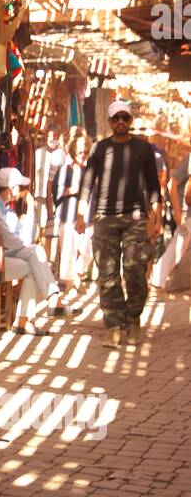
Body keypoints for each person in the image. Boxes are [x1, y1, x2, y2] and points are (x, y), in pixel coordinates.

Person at [75, 100, 162, 346]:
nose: (121, 122)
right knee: (108, 274)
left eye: (125, 118)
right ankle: (113, 325)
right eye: (116, 118)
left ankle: (133, 318)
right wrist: (81, 214)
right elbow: (87, 184)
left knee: (135, 271)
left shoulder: (143, 149)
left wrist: (155, 218)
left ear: (130, 120)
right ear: (110, 122)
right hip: (105, 217)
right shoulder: (99, 149)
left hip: (136, 217)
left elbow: (153, 185)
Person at [0, 167, 66, 335]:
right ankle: (28, 317)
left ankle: (47, 303)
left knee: (36, 254)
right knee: (34, 258)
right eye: (20, 187)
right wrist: (26, 242)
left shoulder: (4, 207)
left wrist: (31, 207)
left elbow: (23, 237)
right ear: (13, 189)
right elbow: (11, 239)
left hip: (3, 253)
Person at [52, 128, 94, 296]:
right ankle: (69, 283)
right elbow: (57, 191)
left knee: (87, 248)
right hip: (67, 215)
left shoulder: (88, 171)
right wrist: (75, 190)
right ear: (73, 152)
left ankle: (76, 274)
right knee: (68, 250)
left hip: (85, 216)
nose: (83, 156)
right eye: (79, 153)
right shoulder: (65, 170)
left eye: (85, 153)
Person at [152, 144, 191, 292]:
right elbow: (171, 185)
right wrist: (178, 212)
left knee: (179, 247)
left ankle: (157, 280)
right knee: (178, 246)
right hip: (186, 212)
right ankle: (157, 281)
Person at [32, 125, 67, 248]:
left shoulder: (62, 154)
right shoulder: (38, 153)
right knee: (42, 225)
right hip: (41, 196)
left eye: (54, 137)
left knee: (55, 227)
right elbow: (33, 175)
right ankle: (43, 252)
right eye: (49, 137)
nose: (51, 139)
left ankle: (53, 255)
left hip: (56, 196)